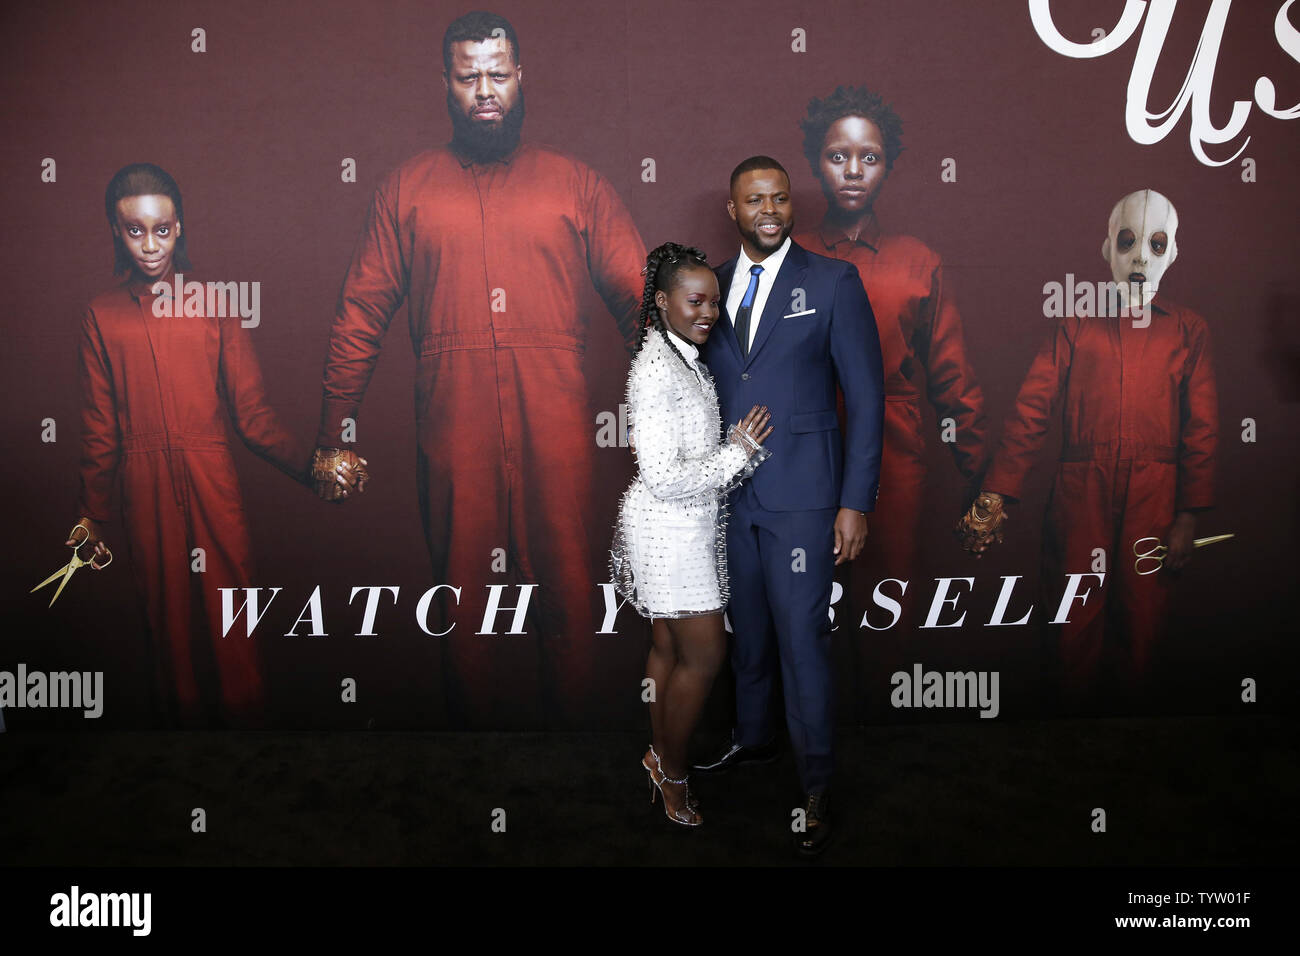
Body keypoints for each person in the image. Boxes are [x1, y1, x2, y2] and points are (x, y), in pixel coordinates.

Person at [312, 10, 646, 728]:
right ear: (445, 85)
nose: (484, 90)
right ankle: (474, 763)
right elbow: (359, 315)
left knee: (568, 591)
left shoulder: (576, 184)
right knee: (463, 597)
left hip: (554, 424)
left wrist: (678, 410)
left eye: (498, 74)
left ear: (521, 77)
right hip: (452, 422)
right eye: (468, 77)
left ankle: (577, 760)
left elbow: (641, 302)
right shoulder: (407, 188)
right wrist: (334, 430)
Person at [71, 162, 323, 726]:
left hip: (211, 472)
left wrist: (312, 467)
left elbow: (253, 418)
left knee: (232, 612)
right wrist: (91, 515)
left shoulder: (216, 303)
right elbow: (99, 430)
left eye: (162, 229)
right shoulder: (101, 316)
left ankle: (250, 750)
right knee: (166, 624)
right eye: (135, 230)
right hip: (143, 481)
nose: (150, 244)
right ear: (116, 230)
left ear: (180, 227)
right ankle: (179, 760)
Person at [957, 189, 1217, 709]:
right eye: (1128, 242)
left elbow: (1201, 427)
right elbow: (1032, 410)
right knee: (1072, 618)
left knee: (1143, 622)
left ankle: (1131, 750)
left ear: (1174, 254)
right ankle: (1067, 746)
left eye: (1157, 244)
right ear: (1106, 250)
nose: (1141, 257)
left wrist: (1189, 513)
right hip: (1082, 490)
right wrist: (997, 495)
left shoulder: (1189, 330)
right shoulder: (1075, 322)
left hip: (1157, 493)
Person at [694, 157, 885, 856]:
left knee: (802, 641)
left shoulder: (834, 282)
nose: (769, 210)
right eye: (755, 200)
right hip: (727, 500)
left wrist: (854, 502)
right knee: (747, 632)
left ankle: (816, 781)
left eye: (779, 198)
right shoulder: (706, 287)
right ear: (733, 209)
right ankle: (753, 740)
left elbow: (865, 400)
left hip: (805, 499)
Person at [793, 86, 987, 608]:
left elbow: (953, 380)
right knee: (804, 614)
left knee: (888, 610)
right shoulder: (790, 256)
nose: (853, 170)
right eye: (838, 156)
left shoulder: (918, 261)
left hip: (894, 453)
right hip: (801, 448)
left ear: (888, 166)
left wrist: (983, 478)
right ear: (816, 162)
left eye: (869, 157)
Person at [611, 242, 773, 827]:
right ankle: (674, 776)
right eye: (696, 300)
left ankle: (660, 758)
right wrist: (739, 452)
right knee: (704, 657)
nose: (709, 312)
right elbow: (663, 476)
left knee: (668, 648)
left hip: (673, 527)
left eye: (715, 302)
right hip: (670, 534)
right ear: (662, 302)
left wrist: (727, 451)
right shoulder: (656, 368)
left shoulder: (676, 353)